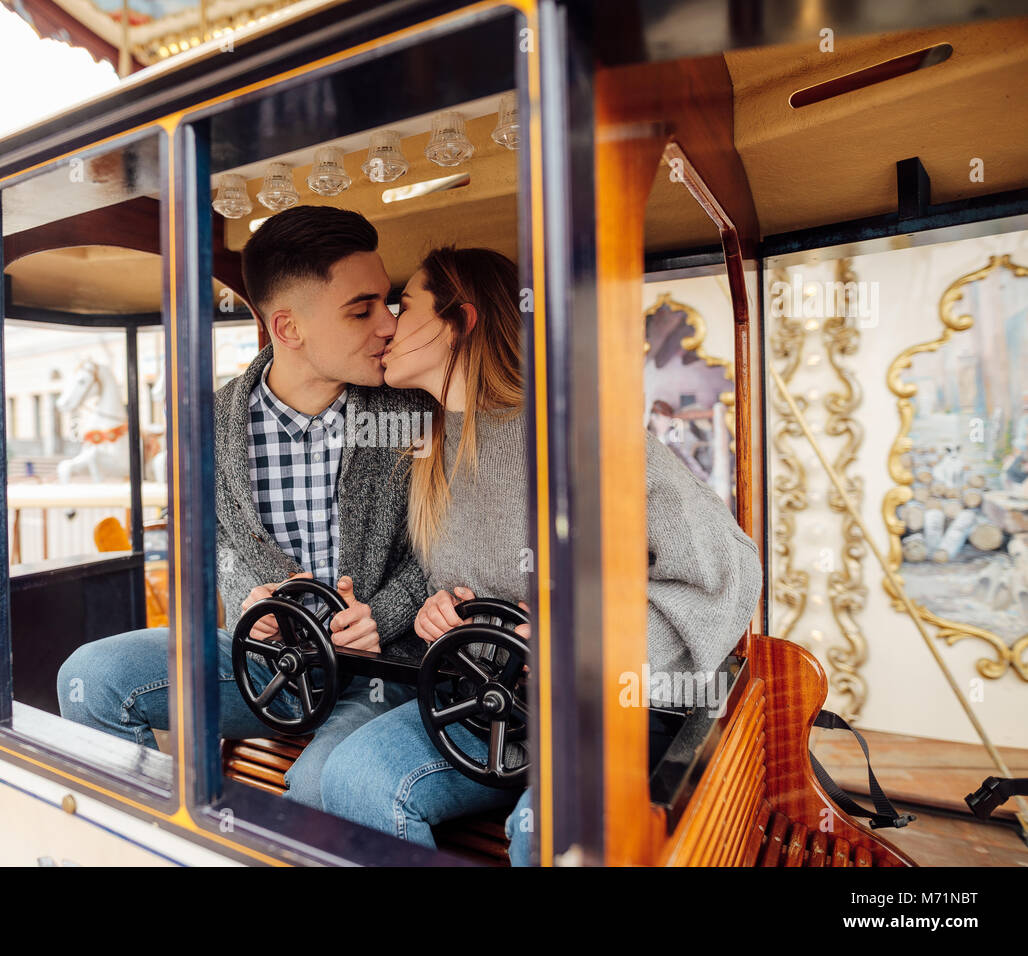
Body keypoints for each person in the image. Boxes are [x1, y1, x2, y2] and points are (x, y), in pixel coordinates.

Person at [316, 246, 763, 864]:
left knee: (552, 829)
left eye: (405, 304)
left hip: (611, 709)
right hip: (487, 710)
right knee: (353, 780)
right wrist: (437, 613)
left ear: (461, 321)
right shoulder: (426, 451)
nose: (387, 324)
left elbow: (728, 574)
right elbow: (454, 585)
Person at [57, 206, 431, 809]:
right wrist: (245, 601)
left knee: (321, 793)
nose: (388, 325)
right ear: (288, 328)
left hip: (383, 675)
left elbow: (442, 548)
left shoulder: (411, 408)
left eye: (387, 303)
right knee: (90, 679)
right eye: (362, 310)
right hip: (265, 665)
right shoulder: (208, 421)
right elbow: (211, 544)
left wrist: (380, 617)